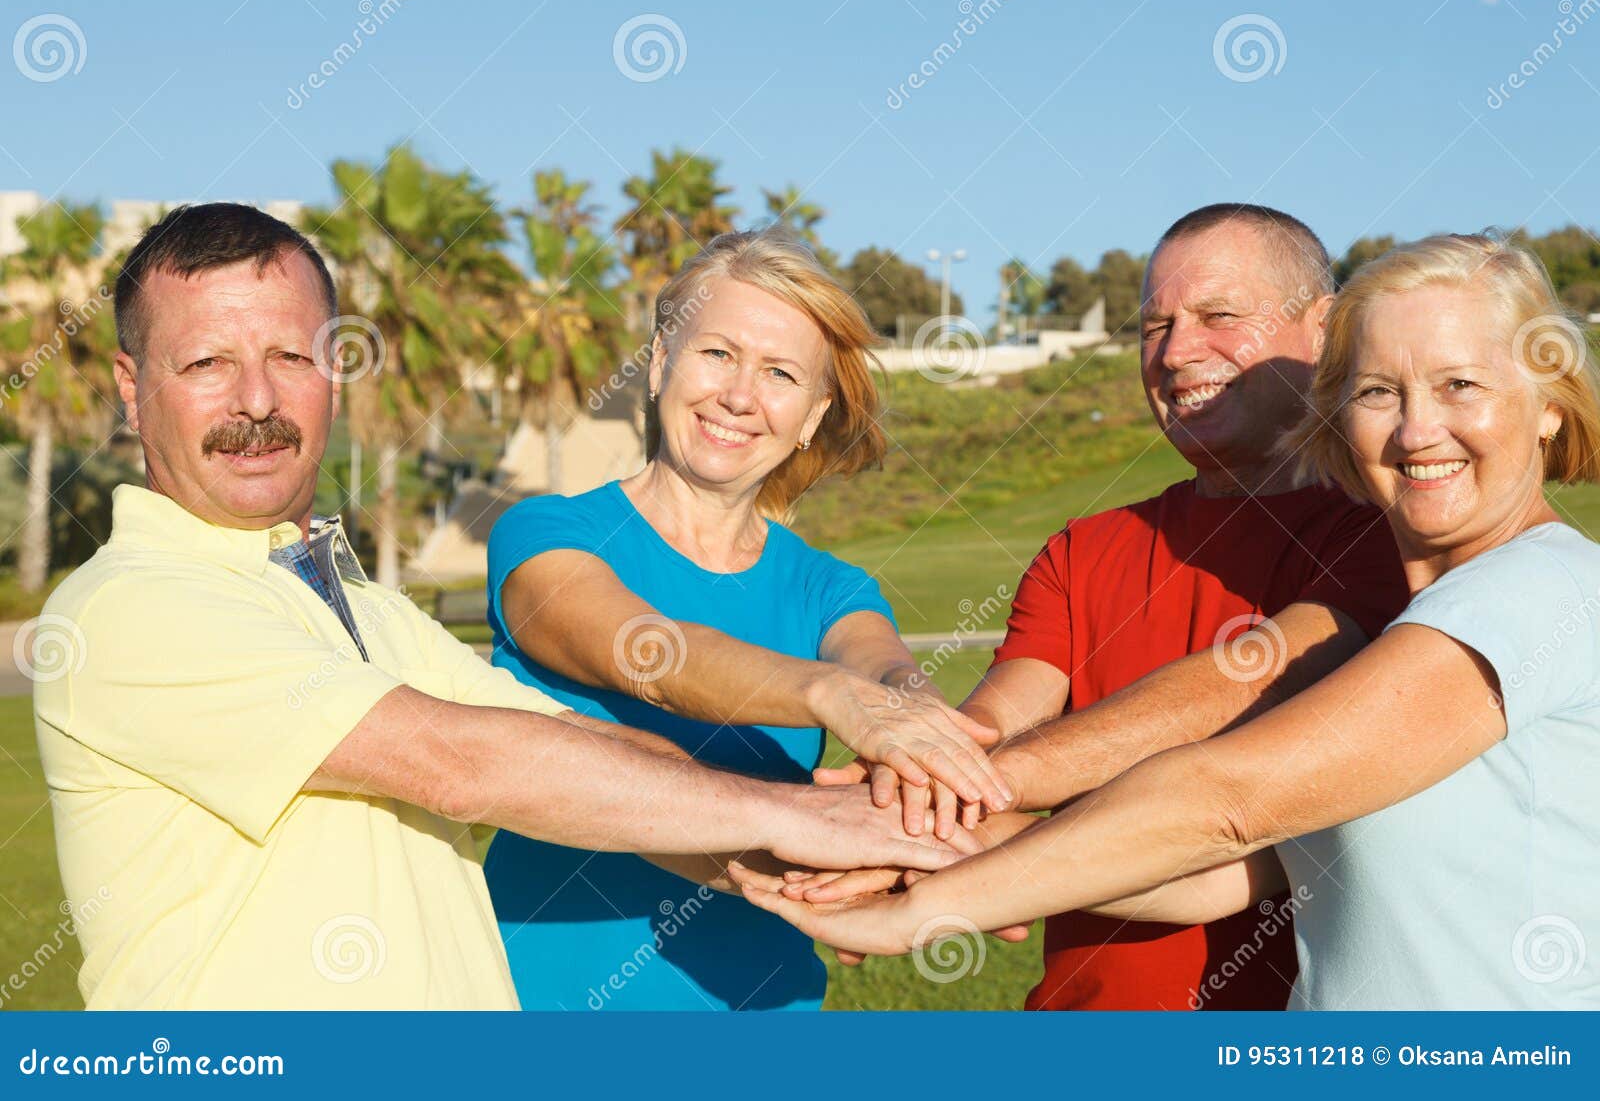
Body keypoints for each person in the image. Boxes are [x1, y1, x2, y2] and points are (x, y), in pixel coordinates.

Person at [30, 203, 972, 1010]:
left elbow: (579, 744)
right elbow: (459, 761)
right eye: (205, 364)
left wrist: (795, 867)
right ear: (130, 388)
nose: (259, 399)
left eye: (291, 355)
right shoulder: (131, 606)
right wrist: (804, 801)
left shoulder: (365, 607)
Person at [737, 232, 1600, 1009]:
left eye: (1461, 385)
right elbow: (1219, 870)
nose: (1417, 429)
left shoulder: (1538, 589)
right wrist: (943, 849)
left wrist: (917, 911)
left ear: (1551, 404)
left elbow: (1226, 799)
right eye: (1379, 390)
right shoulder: (1438, 606)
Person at [809, 203, 1410, 1009]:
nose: (1176, 351)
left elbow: (1231, 684)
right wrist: (907, 789)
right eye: (1153, 325)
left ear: (1325, 328)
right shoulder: (1082, 550)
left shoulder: (1390, 536)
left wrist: (935, 810)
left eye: (1218, 315)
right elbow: (997, 723)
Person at [482, 228, 1010, 1011]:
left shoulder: (830, 586)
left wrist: (918, 740)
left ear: (812, 414)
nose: (739, 395)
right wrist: (832, 696)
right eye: (717, 354)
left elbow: (885, 668)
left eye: (780, 374)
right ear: (661, 362)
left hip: (765, 1013)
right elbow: (651, 657)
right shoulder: (544, 536)